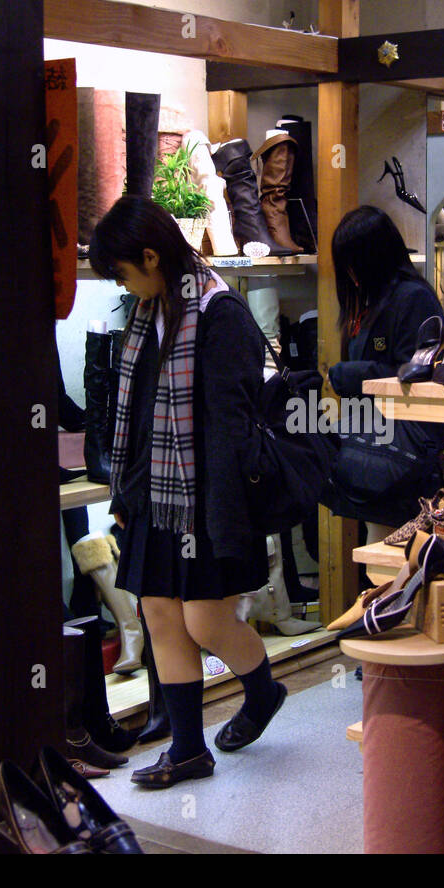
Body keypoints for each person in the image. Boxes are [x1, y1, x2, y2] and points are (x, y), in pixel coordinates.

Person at [89, 195, 285, 789]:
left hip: (210, 496)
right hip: (155, 494)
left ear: (151, 256)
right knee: (159, 617)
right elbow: (143, 415)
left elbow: (231, 424)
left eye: (123, 271)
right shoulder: (150, 312)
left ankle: (261, 691)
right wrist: (125, 495)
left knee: (205, 622)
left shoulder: (219, 313)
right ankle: (189, 749)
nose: (123, 285)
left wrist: (220, 517)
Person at [323, 205, 444, 543]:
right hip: (383, 443)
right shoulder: (379, 299)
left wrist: (348, 375)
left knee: (391, 552)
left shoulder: (411, 299)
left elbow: (415, 374)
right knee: (383, 548)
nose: (349, 272)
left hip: (403, 447)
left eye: (352, 261)